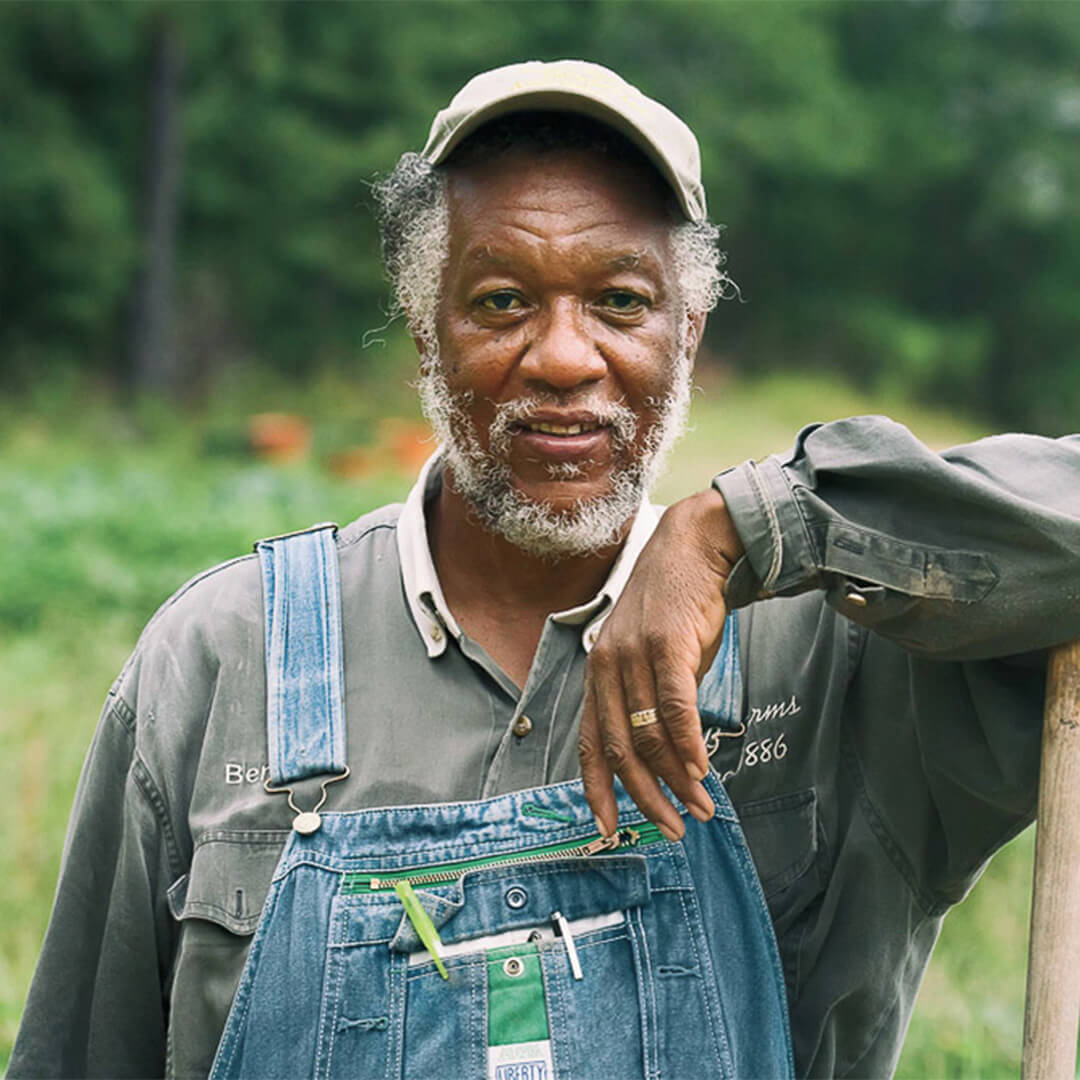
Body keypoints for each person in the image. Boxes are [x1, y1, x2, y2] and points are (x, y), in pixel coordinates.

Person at [10, 58, 1080, 1079]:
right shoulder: (222, 658)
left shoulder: (838, 659)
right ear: (426, 334)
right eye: (501, 302)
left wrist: (741, 531)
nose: (565, 358)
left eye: (620, 300)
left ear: (688, 334)